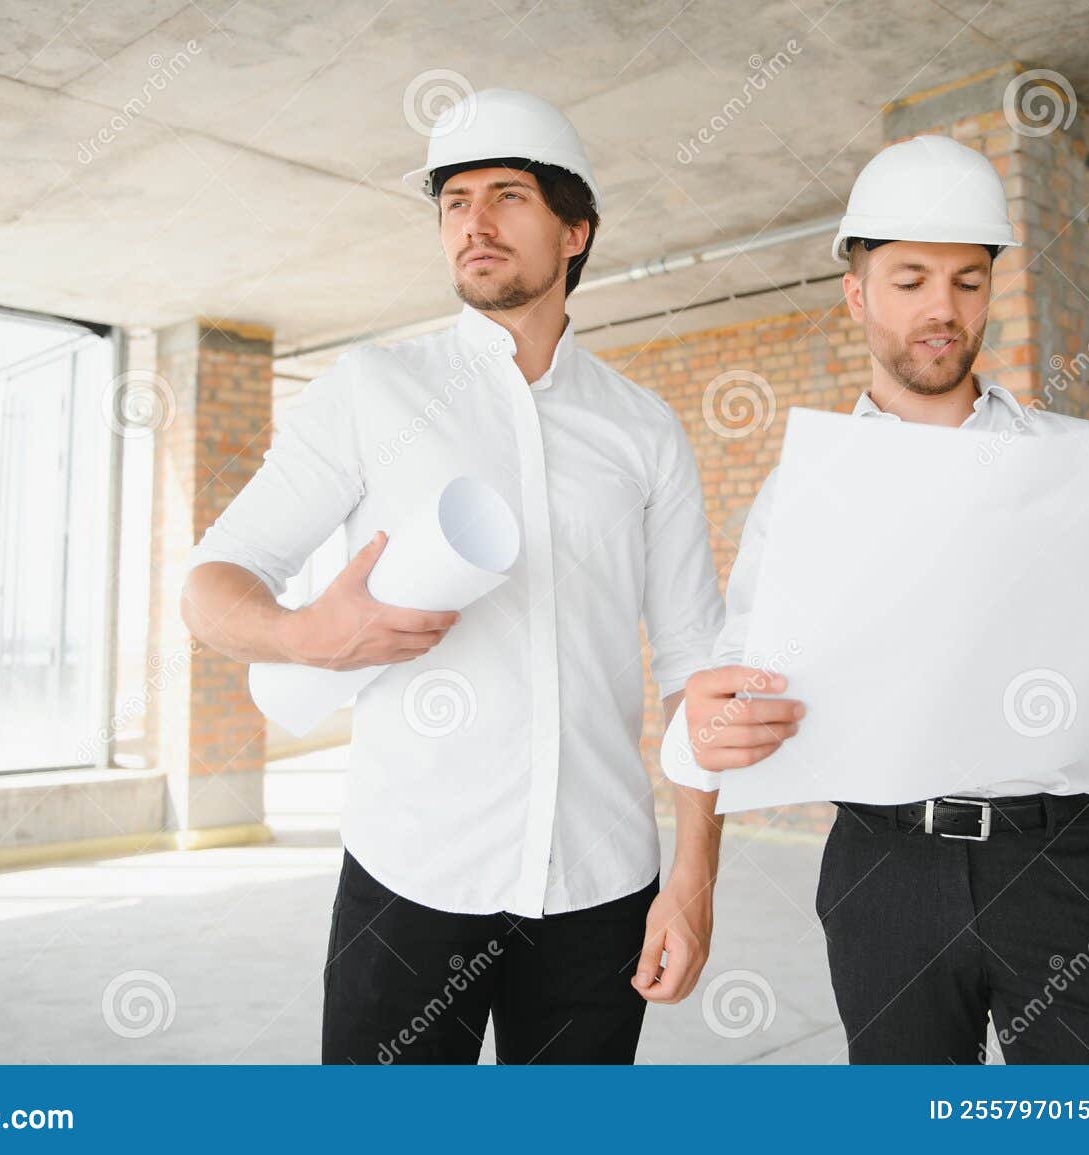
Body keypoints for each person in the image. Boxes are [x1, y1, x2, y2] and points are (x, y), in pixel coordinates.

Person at [665, 135, 1089, 1064]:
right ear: (857, 293)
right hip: (882, 874)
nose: (942, 310)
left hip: (1061, 865)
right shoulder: (807, 493)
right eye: (911, 279)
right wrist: (710, 727)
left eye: (968, 281)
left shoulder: (1074, 464)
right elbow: (734, 688)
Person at [181, 88, 726, 1064]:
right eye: (453, 202)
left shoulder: (642, 428)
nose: (473, 221)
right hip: (410, 876)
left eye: (508, 195)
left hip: (600, 884)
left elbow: (694, 662)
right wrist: (310, 635)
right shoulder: (370, 389)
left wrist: (692, 879)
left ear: (574, 230)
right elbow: (213, 584)